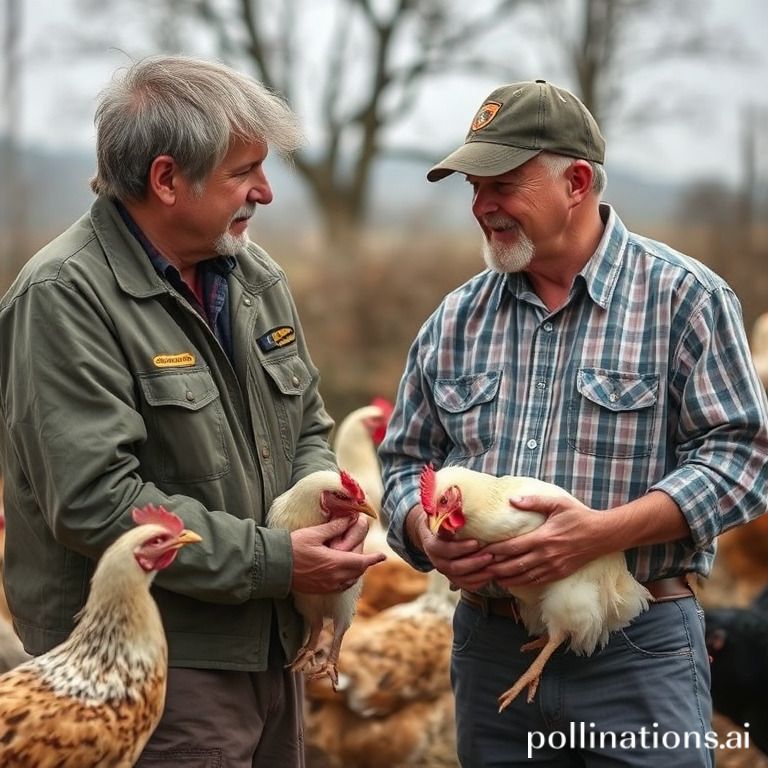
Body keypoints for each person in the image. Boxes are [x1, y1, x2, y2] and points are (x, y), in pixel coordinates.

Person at [0, 55, 384, 767]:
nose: (265, 192)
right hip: (149, 676)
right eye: (245, 171)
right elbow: (93, 501)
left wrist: (323, 502)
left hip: (268, 647)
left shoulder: (254, 276)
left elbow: (306, 424)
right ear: (168, 178)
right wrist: (277, 560)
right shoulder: (64, 297)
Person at [379, 79, 768, 767]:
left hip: (638, 646)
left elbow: (742, 460)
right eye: (474, 187)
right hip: (491, 649)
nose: (481, 206)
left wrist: (599, 535)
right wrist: (423, 532)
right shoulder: (456, 320)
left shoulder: (684, 299)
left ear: (577, 182)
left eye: (501, 183)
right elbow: (404, 461)